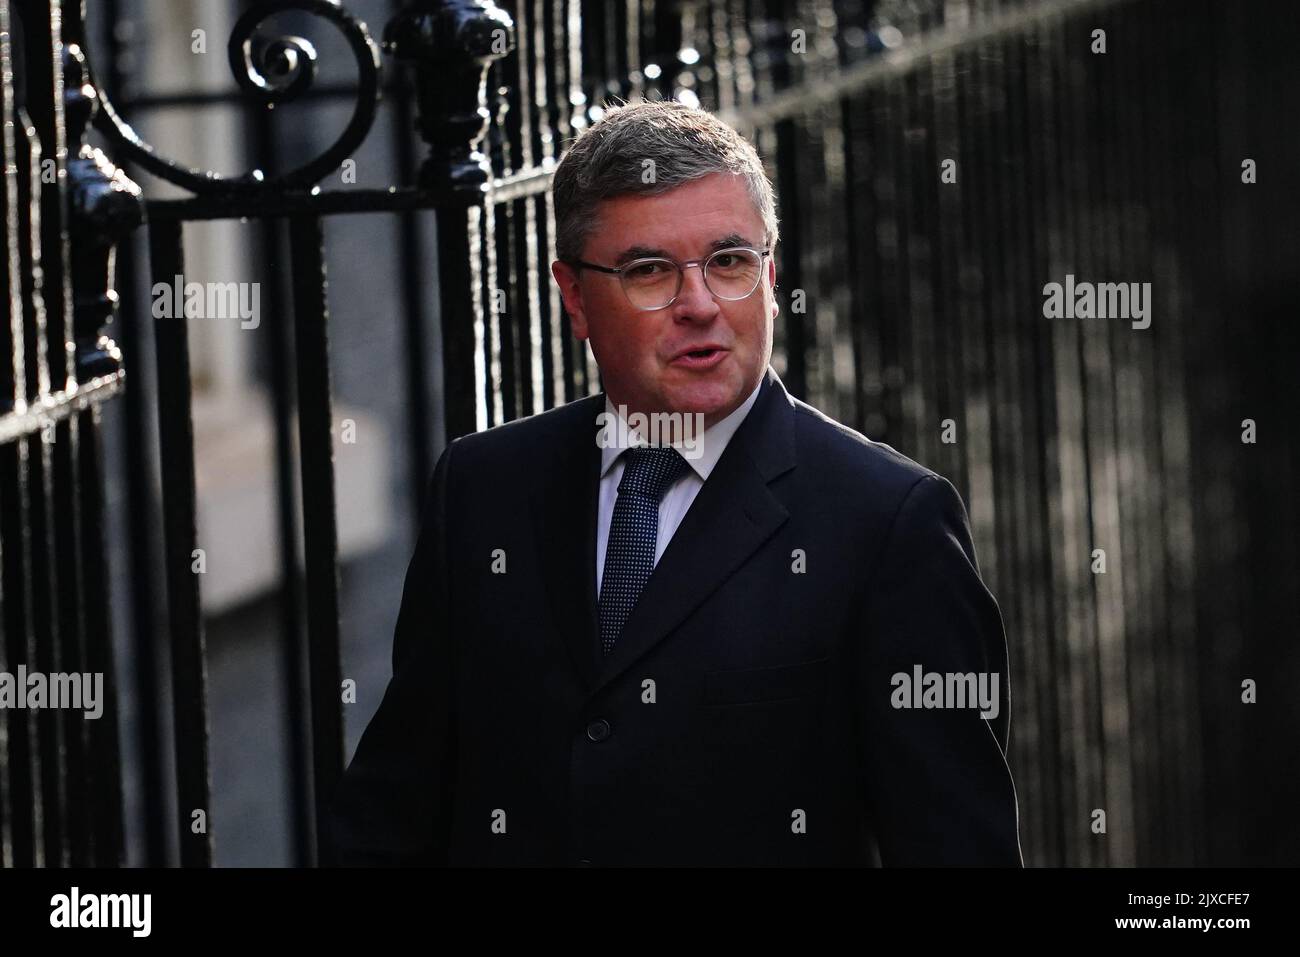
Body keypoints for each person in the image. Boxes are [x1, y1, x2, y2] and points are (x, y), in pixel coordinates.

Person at [327, 100, 1022, 866]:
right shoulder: (484, 486)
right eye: (650, 270)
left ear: (770, 275)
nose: (699, 306)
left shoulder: (888, 523)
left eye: (729, 263)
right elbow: (394, 809)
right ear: (573, 297)